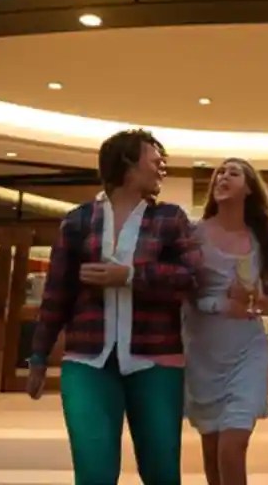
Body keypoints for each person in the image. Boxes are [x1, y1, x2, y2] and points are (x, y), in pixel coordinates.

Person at [26, 129, 199, 485]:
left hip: (157, 361)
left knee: (162, 472)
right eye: (156, 161)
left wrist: (131, 275)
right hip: (87, 361)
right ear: (128, 165)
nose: (162, 169)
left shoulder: (170, 218)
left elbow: (192, 277)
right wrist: (39, 358)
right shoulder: (78, 220)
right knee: (94, 473)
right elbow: (56, 294)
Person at [185, 158, 268, 485]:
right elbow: (183, 295)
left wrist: (261, 301)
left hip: (248, 350)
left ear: (249, 189)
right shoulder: (194, 235)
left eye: (233, 172)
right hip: (204, 353)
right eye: (220, 173)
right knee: (213, 452)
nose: (223, 177)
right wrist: (222, 303)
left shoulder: (264, 239)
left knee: (233, 445)